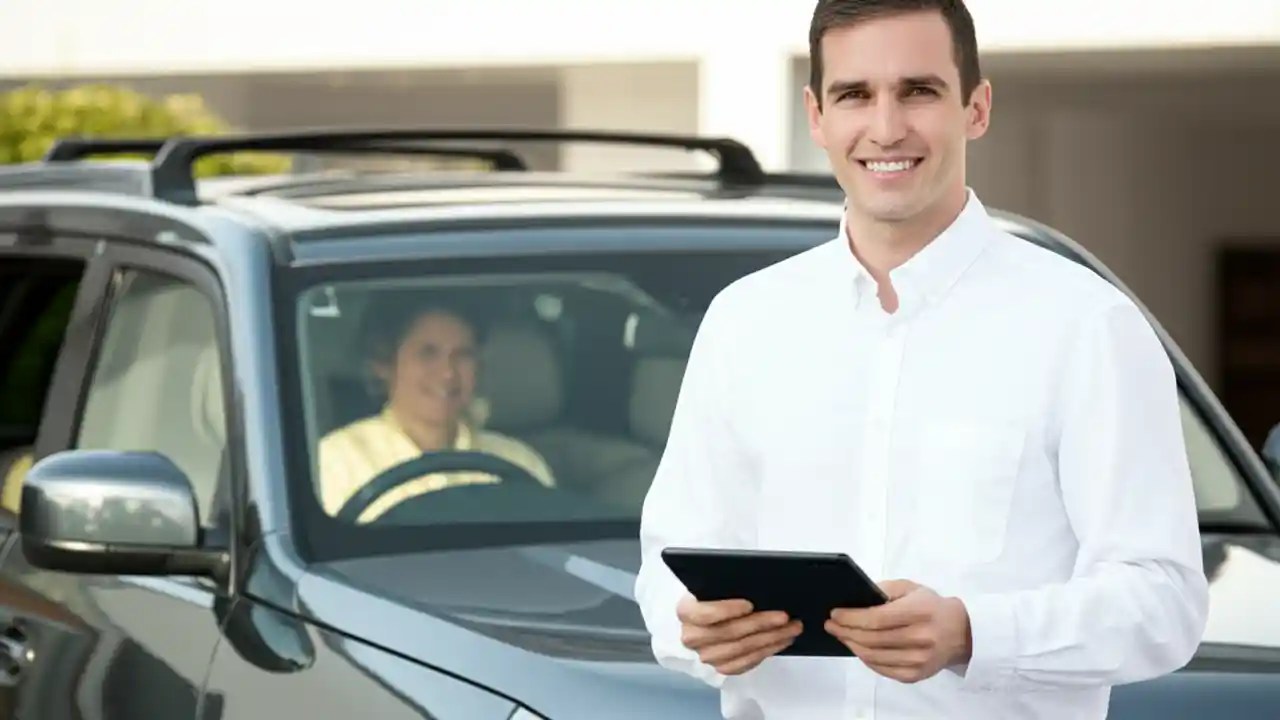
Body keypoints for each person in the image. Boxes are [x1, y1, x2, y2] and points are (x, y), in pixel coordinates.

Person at [634, 1, 1209, 718]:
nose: (885, 127)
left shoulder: (1087, 325)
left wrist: (975, 634)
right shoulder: (743, 324)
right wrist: (695, 630)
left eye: (918, 91)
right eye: (854, 95)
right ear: (816, 115)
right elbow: (665, 574)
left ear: (976, 106)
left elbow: (1166, 600)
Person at [318, 295, 555, 523]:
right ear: (384, 363)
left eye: (463, 355)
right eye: (428, 353)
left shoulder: (519, 463)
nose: (447, 373)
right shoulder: (336, 461)